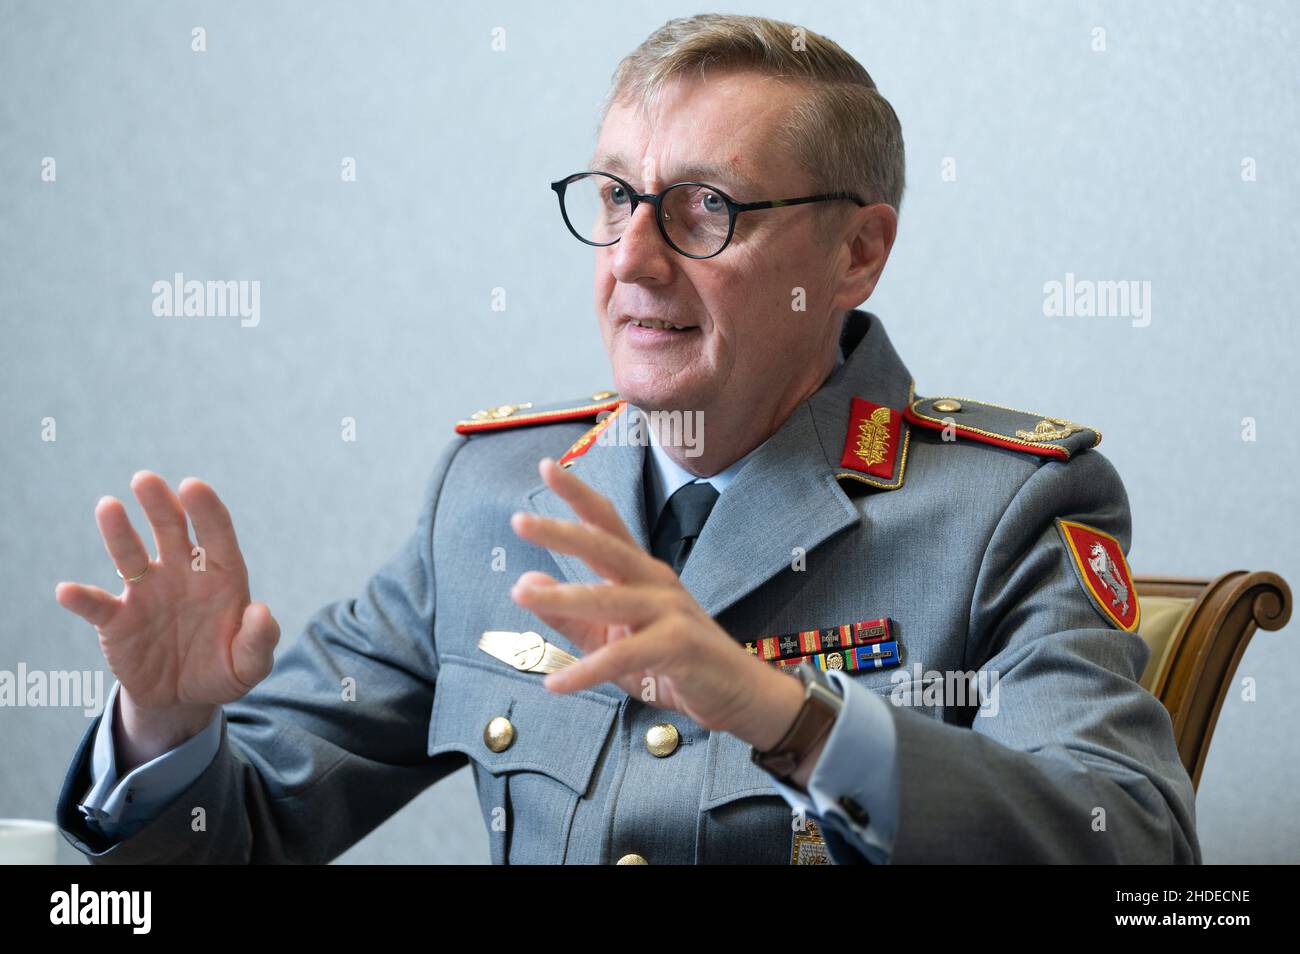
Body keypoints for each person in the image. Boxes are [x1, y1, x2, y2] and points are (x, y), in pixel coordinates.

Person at [53, 13, 1199, 864]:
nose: (631, 262)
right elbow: (240, 838)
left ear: (855, 253)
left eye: (706, 209)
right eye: (613, 198)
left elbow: (1139, 856)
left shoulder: (1001, 510)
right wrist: (167, 725)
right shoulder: (495, 494)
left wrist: (788, 721)